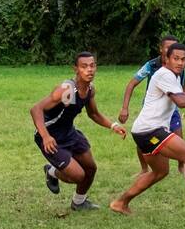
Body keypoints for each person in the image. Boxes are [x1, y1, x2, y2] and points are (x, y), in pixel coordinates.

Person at [109, 43, 185, 221]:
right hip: (150, 130)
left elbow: (182, 97)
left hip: (144, 130)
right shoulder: (164, 74)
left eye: (183, 59)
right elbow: (181, 102)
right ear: (166, 59)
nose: (180, 62)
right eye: (176, 58)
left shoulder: (173, 76)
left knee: (160, 172)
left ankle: (120, 203)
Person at [118, 34, 185, 176]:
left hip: (172, 107)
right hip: (152, 111)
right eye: (168, 47)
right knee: (147, 142)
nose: (173, 52)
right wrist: (125, 108)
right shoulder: (152, 66)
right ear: (161, 49)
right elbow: (132, 83)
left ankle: (183, 166)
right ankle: (145, 168)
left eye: (181, 57)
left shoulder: (179, 69)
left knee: (179, 142)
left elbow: (184, 91)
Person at [31, 52, 126, 211]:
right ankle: (52, 172)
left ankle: (79, 202)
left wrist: (113, 125)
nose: (89, 70)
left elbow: (93, 114)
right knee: (78, 176)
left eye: (92, 65)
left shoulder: (89, 90)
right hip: (50, 137)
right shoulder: (68, 90)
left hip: (70, 133)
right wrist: (46, 136)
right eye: (84, 66)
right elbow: (36, 109)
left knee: (90, 168)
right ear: (76, 69)